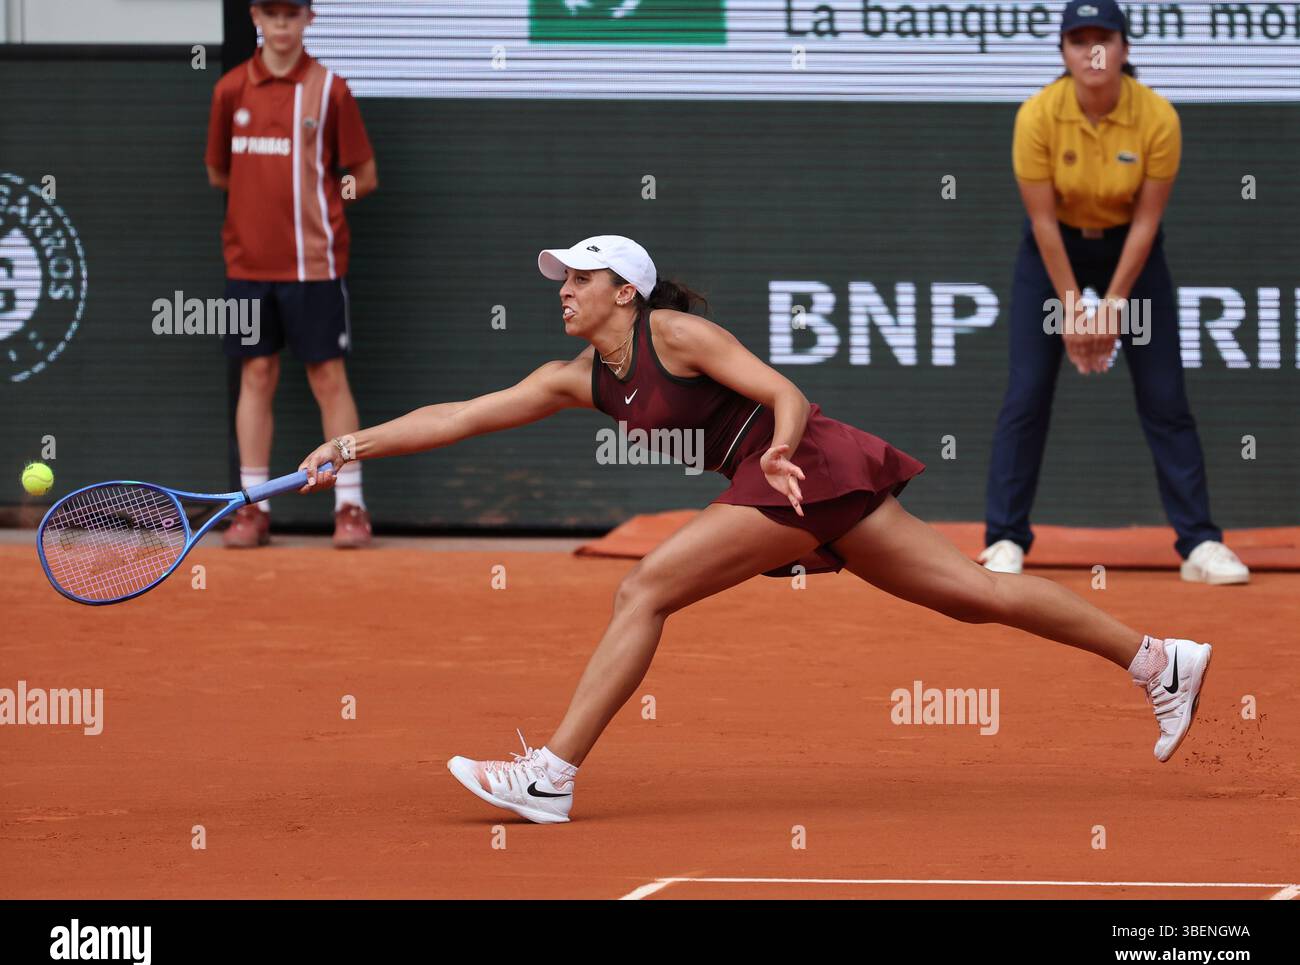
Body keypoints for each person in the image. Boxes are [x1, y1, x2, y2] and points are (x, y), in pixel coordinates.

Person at [297, 235, 1212, 825]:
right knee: (975, 595)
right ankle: (1159, 660)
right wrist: (352, 443)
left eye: (581, 278)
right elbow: (463, 414)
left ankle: (552, 773)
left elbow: (786, 392)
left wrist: (775, 454)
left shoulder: (678, 335)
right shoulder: (581, 376)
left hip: (798, 465)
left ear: (628, 291)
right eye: (563, 279)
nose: (565, 291)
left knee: (644, 586)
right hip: (808, 477)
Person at [981, 0, 1248, 585]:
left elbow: (1148, 222)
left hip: (1132, 250)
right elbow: (1044, 224)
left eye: (1105, 39)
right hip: (1055, 254)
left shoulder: (1157, 117)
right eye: (1079, 40)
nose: (1093, 52)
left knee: (1165, 396)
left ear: (1126, 49)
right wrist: (1075, 307)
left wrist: (1114, 306)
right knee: (1027, 394)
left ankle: (1200, 544)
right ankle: (1003, 538)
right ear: (1063, 52)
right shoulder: (1037, 116)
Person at [206, 0, 377, 548]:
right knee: (255, 375)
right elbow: (217, 172)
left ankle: (349, 505)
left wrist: (331, 197)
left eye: (292, 13)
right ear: (256, 16)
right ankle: (250, 508)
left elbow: (364, 175)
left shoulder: (332, 90)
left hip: (315, 265)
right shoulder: (231, 89)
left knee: (328, 378)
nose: (282, 24)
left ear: (309, 18)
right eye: (272, 13)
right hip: (249, 265)